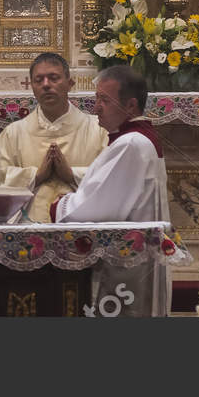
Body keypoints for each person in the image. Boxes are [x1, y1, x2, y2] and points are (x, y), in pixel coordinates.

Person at [51, 65, 171, 317]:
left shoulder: (131, 143)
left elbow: (100, 206)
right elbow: (114, 184)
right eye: (96, 99)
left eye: (104, 100)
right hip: (136, 257)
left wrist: (61, 205)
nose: (95, 108)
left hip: (128, 263)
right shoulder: (134, 138)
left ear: (130, 106)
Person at [0, 52, 107, 221]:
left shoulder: (99, 130)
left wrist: (72, 175)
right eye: (39, 80)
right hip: (28, 226)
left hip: (83, 222)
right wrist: (36, 176)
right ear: (32, 86)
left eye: (54, 78)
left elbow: (111, 178)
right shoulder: (14, 133)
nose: (46, 85)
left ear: (69, 83)